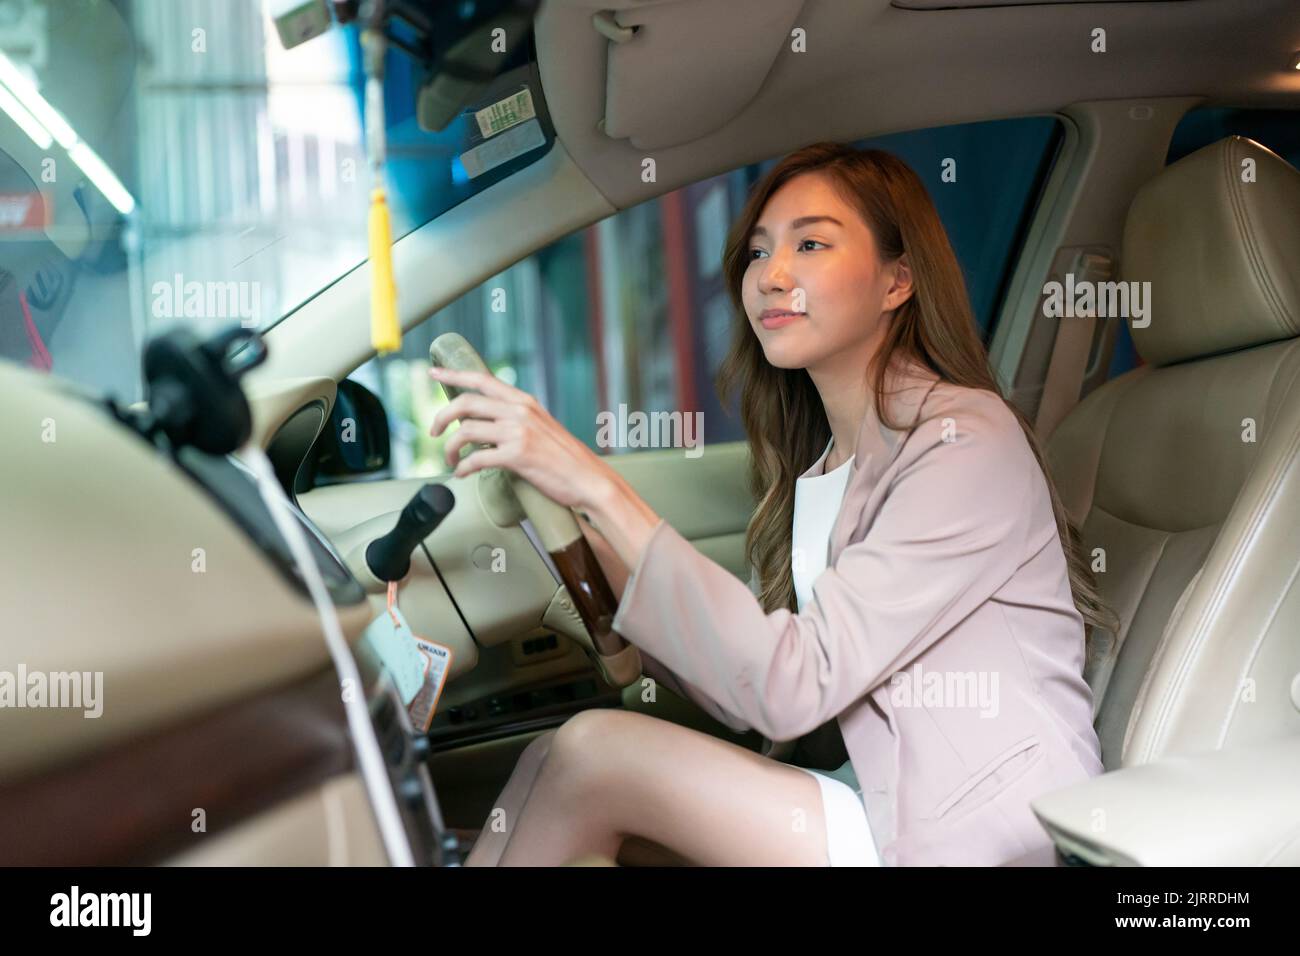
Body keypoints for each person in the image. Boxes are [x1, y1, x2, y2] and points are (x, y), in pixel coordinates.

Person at [428, 142, 1115, 867]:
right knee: (548, 755)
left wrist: (593, 485)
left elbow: (791, 687)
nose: (772, 276)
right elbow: (749, 678)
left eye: (811, 243)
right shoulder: (823, 465)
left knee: (591, 754)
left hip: (977, 832)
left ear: (896, 281)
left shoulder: (965, 442)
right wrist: (584, 541)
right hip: (878, 798)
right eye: (758, 254)